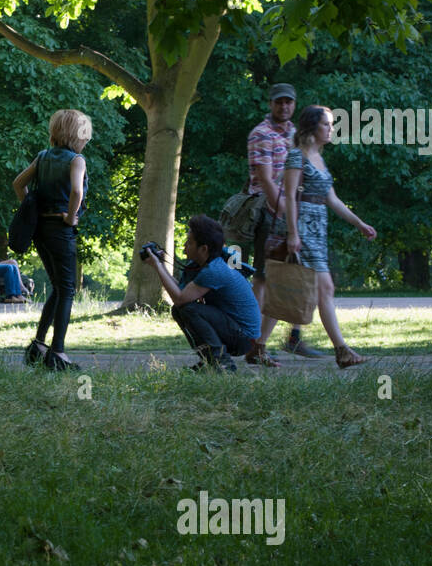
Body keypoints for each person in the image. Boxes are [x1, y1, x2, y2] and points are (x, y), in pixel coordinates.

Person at [274, 105, 377, 368]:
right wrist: (293, 233)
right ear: (312, 127)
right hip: (304, 230)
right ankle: (342, 350)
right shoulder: (297, 157)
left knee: (296, 291)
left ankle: (258, 345)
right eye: (327, 124)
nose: (331, 129)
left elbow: (331, 198)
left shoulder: (319, 158)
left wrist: (359, 223)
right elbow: (290, 197)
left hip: (319, 230)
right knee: (324, 288)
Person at [244, 83, 321, 366]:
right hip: (270, 212)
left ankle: (293, 336)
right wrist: (288, 219)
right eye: (279, 102)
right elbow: (265, 180)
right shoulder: (260, 134)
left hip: (294, 211)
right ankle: (255, 342)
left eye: (289, 102)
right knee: (265, 278)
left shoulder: (296, 135)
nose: (284, 107)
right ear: (271, 104)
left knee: (302, 272)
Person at [13, 109, 89, 370]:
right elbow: (77, 191)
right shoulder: (76, 160)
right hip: (60, 228)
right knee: (67, 289)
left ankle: (38, 345)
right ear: (76, 134)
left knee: (58, 287)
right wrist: (70, 217)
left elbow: (17, 184)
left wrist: (33, 209)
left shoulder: (42, 157)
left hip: (40, 231)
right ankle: (58, 353)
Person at [145, 215, 261, 372]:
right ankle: (210, 360)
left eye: (190, 242)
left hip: (243, 337)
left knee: (188, 309)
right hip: (235, 329)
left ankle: (221, 362)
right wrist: (160, 265)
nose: (184, 246)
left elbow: (180, 298)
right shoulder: (206, 264)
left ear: (204, 249)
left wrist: (158, 266)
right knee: (180, 310)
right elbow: (181, 291)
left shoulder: (214, 270)